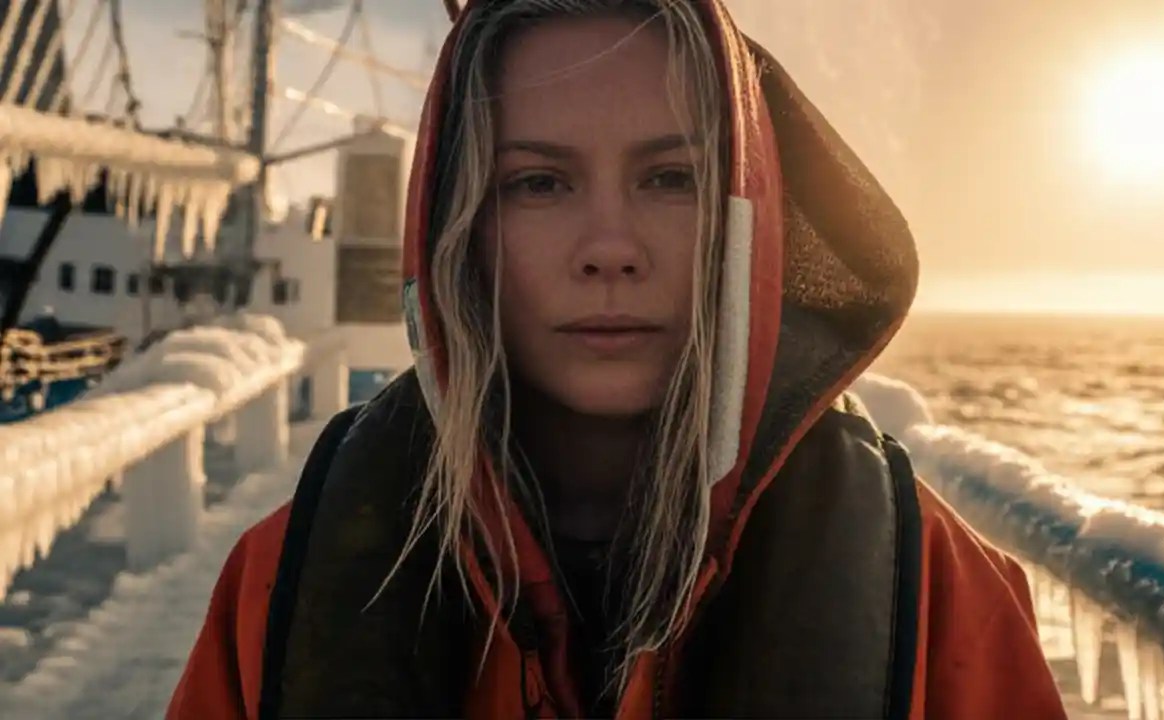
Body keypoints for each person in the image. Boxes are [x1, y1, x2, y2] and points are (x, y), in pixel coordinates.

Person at [169, 1, 1068, 718]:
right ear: (459, 230)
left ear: (746, 216)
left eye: (670, 179)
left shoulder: (940, 592)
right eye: (539, 183)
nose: (610, 248)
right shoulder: (277, 586)